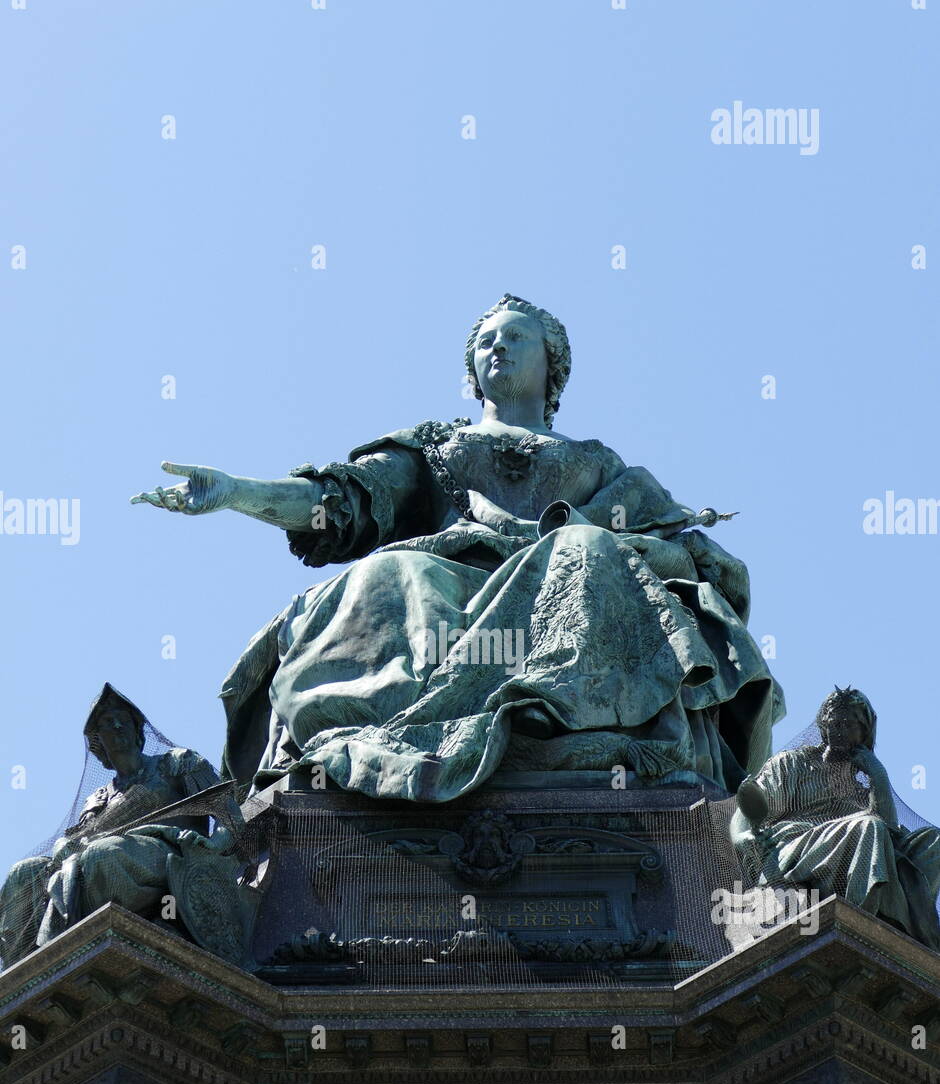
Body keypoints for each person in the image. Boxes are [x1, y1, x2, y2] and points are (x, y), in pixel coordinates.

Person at [132, 294, 784, 802]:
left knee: (585, 550)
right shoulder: (437, 447)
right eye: (486, 340)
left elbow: (668, 541)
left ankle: (542, 712)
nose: (497, 346)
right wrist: (236, 492)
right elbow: (344, 499)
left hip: (563, 574)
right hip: (450, 571)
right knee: (389, 574)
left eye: (515, 337)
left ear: (552, 364)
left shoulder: (599, 463)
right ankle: (412, 732)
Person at [0, 685, 219, 964]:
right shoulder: (98, 798)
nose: (117, 726)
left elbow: (228, 811)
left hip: (172, 856)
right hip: (106, 856)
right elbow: (77, 837)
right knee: (23, 873)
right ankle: (21, 971)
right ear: (98, 741)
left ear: (137, 730)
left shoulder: (178, 762)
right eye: (107, 722)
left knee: (100, 856)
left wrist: (215, 844)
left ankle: (84, 949)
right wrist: (63, 845)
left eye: (123, 720)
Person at [731, 687, 940, 947]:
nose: (841, 731)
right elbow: (745, 809)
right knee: (869, 826)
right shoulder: (792, 763)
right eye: (835, 723)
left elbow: (890, 834)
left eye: (851, 725)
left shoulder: (862, 790)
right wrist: (741, 837)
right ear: (824, 724)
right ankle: (857, 923)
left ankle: (913, 934)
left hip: (854, 845)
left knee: (933, 841)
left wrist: (878, 774)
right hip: (796, 848)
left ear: (864, 733)